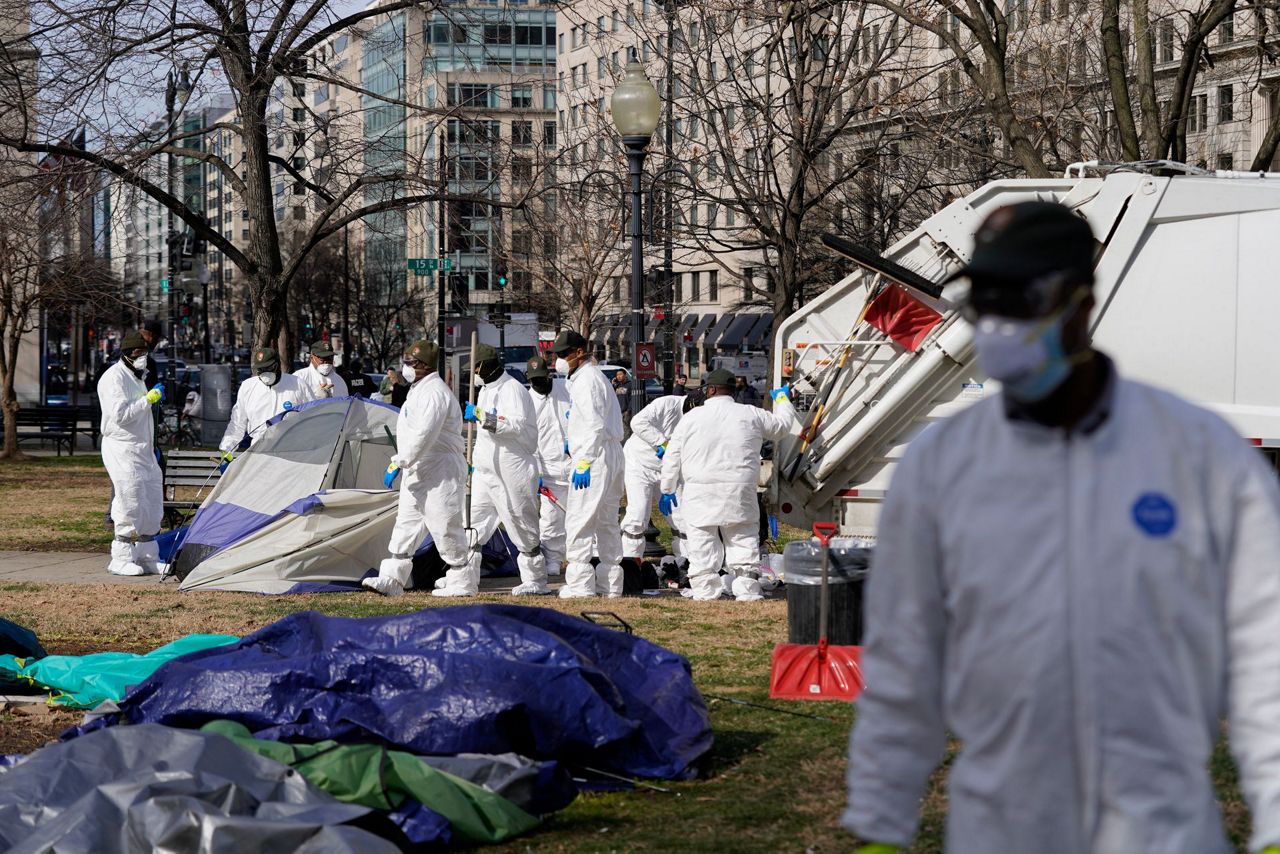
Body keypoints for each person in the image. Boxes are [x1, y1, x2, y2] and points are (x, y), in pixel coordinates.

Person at [844, 201, 1280, 854]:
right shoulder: (943, 468)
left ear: (1083, 301)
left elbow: (1264, 657)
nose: (998, 322)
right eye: (986, 298)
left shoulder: (1199, 455)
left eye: (1022, 298)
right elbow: (906, 670)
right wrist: (879, 825)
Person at [659, 368, 795, 601]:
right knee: (742, 538)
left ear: (710, 390)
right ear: (732, 390)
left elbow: (673, 455)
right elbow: (782, 427)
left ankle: (705, 590)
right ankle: (746, 589)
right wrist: (782, 400)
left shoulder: (691, 418)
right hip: (739, 489)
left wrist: (667, 488)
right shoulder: (751, 414)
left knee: (702, 540)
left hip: (700, 490)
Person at [364, 340, 469, 598]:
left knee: (445, 521)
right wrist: (404, 462)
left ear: (424, 365)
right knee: (406, 523)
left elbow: (424, 434)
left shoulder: (435, 393)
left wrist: (400, 461)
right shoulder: (419, 390)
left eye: (410, 363)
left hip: (439, 468)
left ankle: (461, 578)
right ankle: (392, 578)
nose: (406, 367)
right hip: (419, 467)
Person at [461, 344, 547, 595]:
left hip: (513, 466)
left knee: (520, 520)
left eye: (476, 367)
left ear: (487, 366)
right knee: (474, 521)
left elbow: (516, 427)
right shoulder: (486, 391)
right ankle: (465, 577)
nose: (473, 373)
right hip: (486, 468)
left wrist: (481, 416)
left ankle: (535, 579)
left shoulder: (513, 390)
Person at [548, 330, 625, 598]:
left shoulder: (587, 381)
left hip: (595, 457)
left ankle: (581, 584)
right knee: (607, 521)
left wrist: (583, 461)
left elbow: (593, 424)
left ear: (579, 351)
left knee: (580, 519)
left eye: (563, 354)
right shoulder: (592, 378)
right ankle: (610, 583)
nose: (559, 359)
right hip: (607, 453)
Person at [97, 330, 166, 576]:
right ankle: (121, 556)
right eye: (137, 353)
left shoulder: (138, 377)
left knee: (151, 496)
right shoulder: (113, 378)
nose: (141, 357)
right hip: (121, 446)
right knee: (129, 496)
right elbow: (121, 416)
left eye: (144, 353)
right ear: (126, 354)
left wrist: (151, 444)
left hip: (142, 447)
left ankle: (148, 555)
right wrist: (148, 399)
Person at [620, 391, 700, 561]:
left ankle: (686, 563)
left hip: (668, 469)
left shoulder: (699, 421)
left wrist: (670, 484)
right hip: (639, 464)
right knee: (637, 515)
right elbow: (638, 422)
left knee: (682, 518)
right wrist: (661, 442)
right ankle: (631, 565)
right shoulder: (666, 404)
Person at [525, 355, 571, 577]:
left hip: (575, 466)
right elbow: (528, 440)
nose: (538, 384)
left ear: (549, 375)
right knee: (551, 519)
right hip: (549, 470)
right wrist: (536, 472)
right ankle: (553, 559)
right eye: (534, 380)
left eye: (541, 378)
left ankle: (585, 557)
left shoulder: (566, 388)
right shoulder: (528, 401)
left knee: (582, 515)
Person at [218, 347, 302, 467]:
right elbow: (237, 423)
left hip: (290, 454)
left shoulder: (297, 385)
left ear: (277, 365)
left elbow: (313, 416)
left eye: (268, 368)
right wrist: (227, 449)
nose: (265, 372)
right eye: (261, 369)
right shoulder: (248, 387)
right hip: (258, 454)